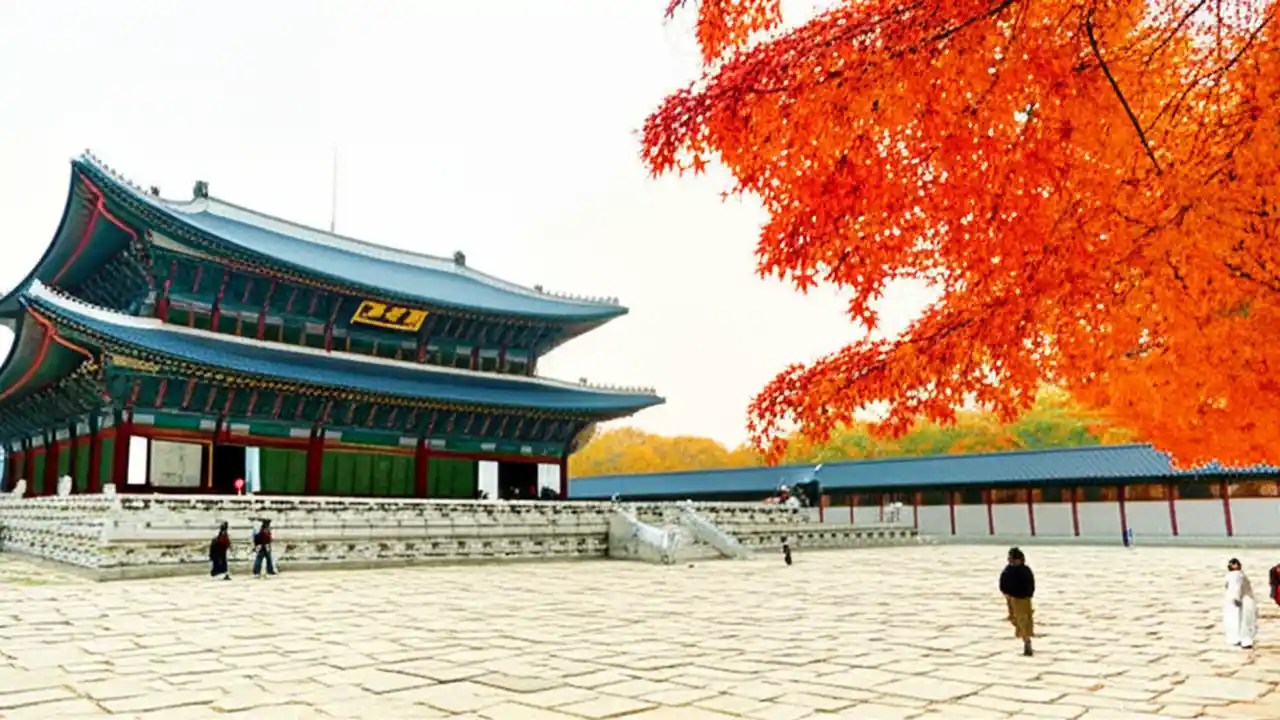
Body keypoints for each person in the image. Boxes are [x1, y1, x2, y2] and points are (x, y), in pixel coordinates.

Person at [999, 547, 1036, 656]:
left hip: (1023, 599)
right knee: (1014, 619)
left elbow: (1030, 584)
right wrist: (1005, 592)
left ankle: (1027, 641)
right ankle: (1025, 638)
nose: (1011, 561)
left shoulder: (1025, 571)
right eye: (1010, 559)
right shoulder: (1007, 570)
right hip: (1011, 598)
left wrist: (1027, 594)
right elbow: (1003, 582)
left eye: (1014, 559)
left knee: (1023, 621)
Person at [1223, 558, 1258, 648]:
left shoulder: (1233, 575)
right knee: (1246, 621)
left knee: (1238, 620)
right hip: (1243, 600)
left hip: (1239, 600)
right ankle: (1245, 641)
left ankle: (1236, 639)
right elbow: (1235, 587)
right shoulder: (1237, 575)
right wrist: (1236, 598)